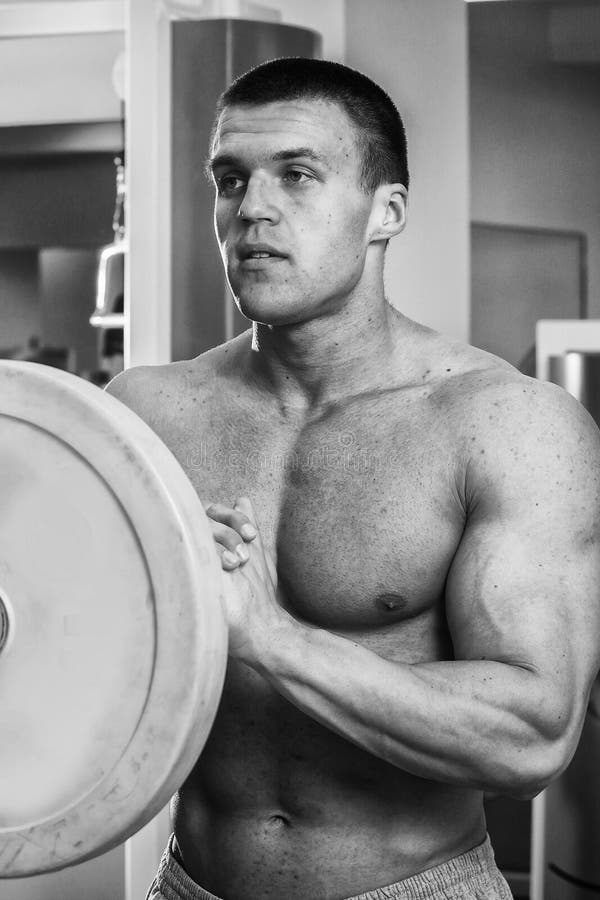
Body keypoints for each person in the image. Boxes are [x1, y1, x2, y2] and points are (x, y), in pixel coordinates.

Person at [107, 57, 600, 900]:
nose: (252, 209)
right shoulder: (147, 414)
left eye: (297, 175)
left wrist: (275, 640)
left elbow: (531, 739)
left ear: (387, 212)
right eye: (231, 179)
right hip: (189, 886)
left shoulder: (507, 426)